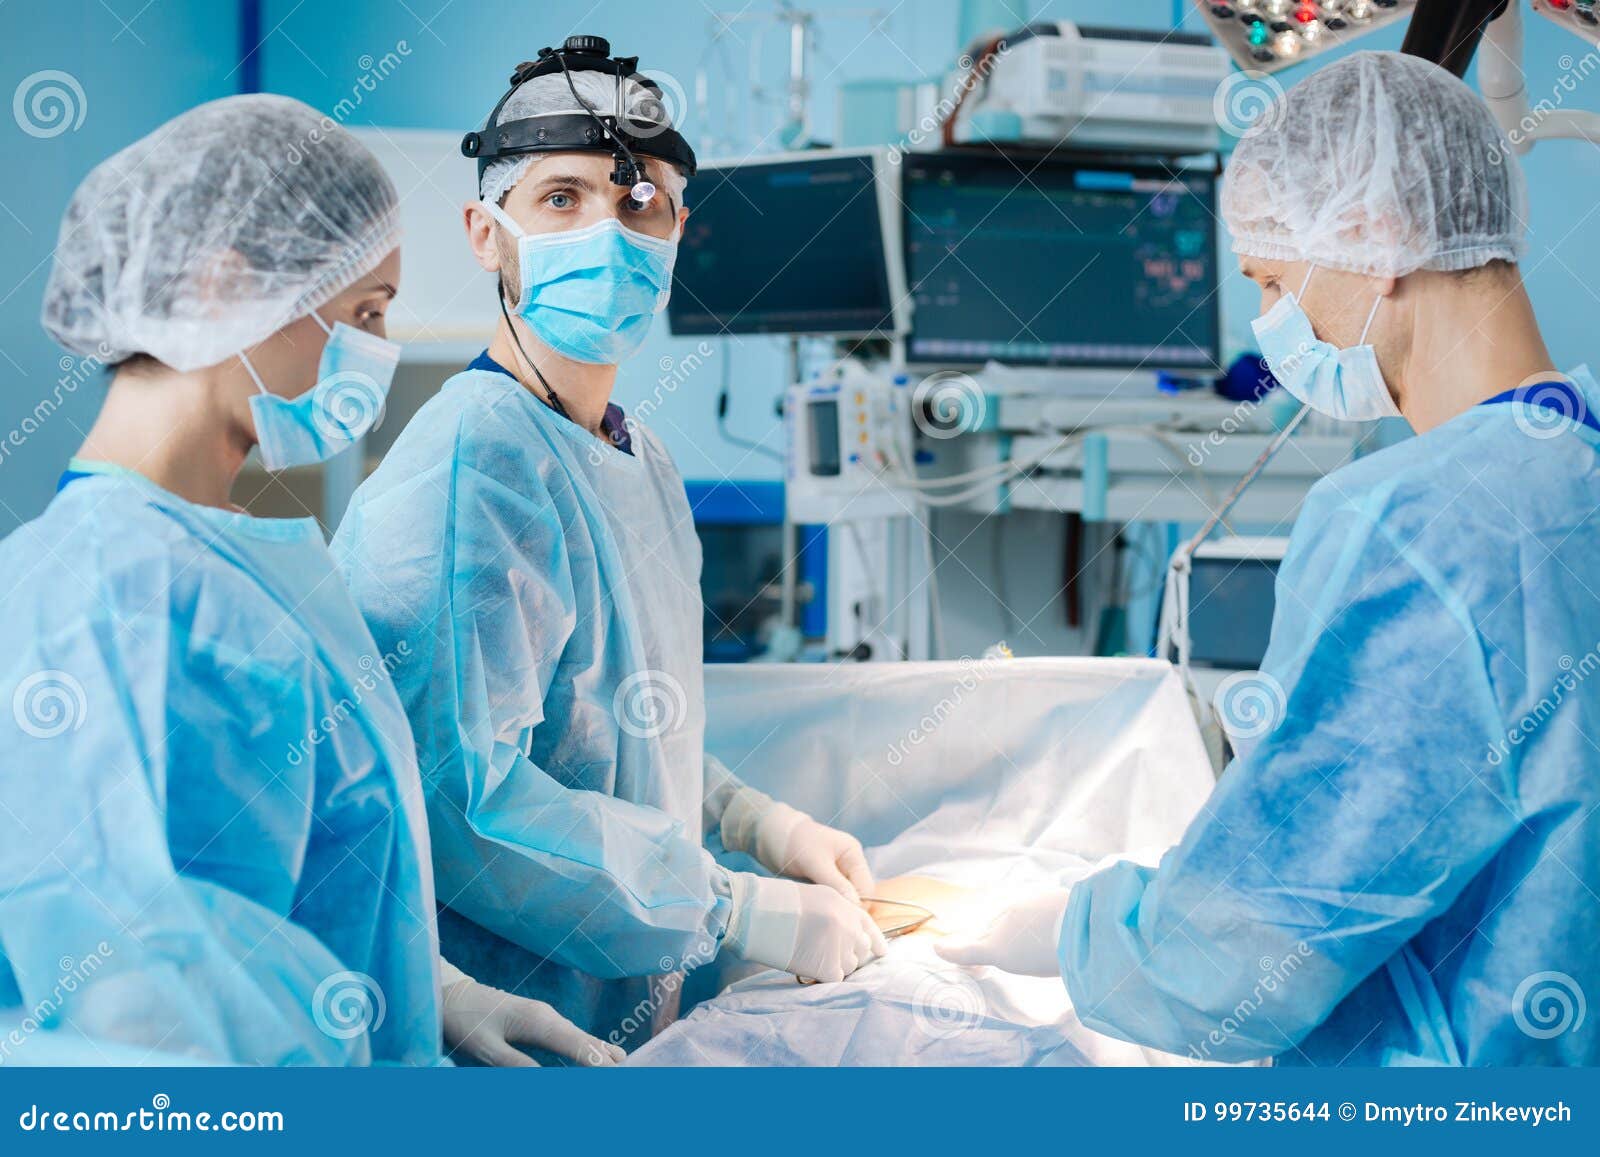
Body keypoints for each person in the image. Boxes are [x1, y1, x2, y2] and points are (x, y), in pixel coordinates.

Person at [938, 52, 1600, 1066]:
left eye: (1274, 280)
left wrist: (1058, 929)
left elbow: (1242, 961)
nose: (1272, 326)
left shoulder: (1418, 526)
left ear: (1379, 233)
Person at [0, 95, 618, 1068]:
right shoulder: (103, 593)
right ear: (221, 289)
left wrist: (436, 992)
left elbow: (300, 885)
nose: (379, 348)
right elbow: (139, 1005)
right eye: (365, 311)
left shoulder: (237, 560)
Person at [332, 37, 885, 1056]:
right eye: (560, 199)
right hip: (511, 1018)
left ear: (678, 233)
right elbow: (463, 799)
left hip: (632, 1004)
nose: (606, 231)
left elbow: (624, 731)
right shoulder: (476, 457)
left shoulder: (639, 455)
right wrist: (731, 908)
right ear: (483, 233)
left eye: (640, 205)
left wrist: (752, 820)